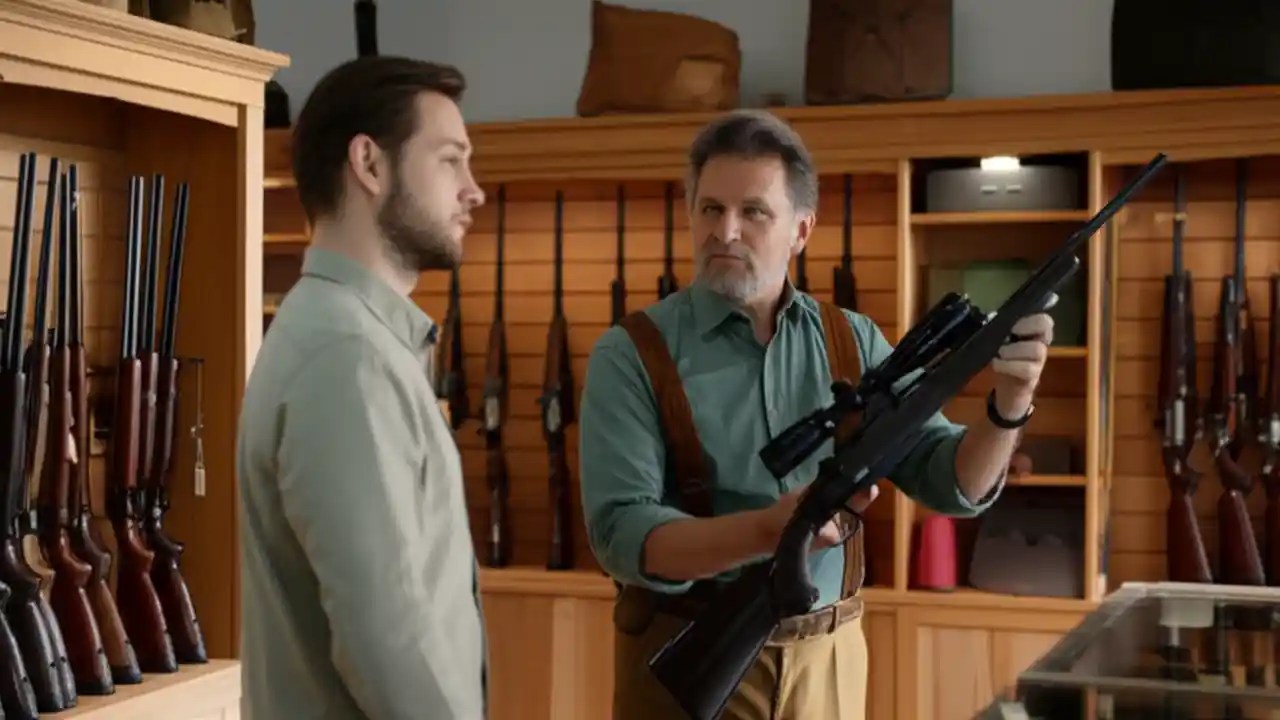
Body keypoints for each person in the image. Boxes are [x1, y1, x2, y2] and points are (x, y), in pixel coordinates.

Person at [578, 109, 1054, 720]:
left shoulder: (851, 340)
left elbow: (952, 482)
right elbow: (623, 535)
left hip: (828, 661)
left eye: (753, 212)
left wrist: (1011, 404)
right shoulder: (633, 352)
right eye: (709, 208)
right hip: (684, 661)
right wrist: (764, 531)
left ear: (800, 231)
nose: (725, 231)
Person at [235, 56, 487, 720]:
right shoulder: (348, 358)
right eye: (450, 159)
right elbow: (388, 642)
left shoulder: (346, 341)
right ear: (370, 165)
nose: (474, 190)